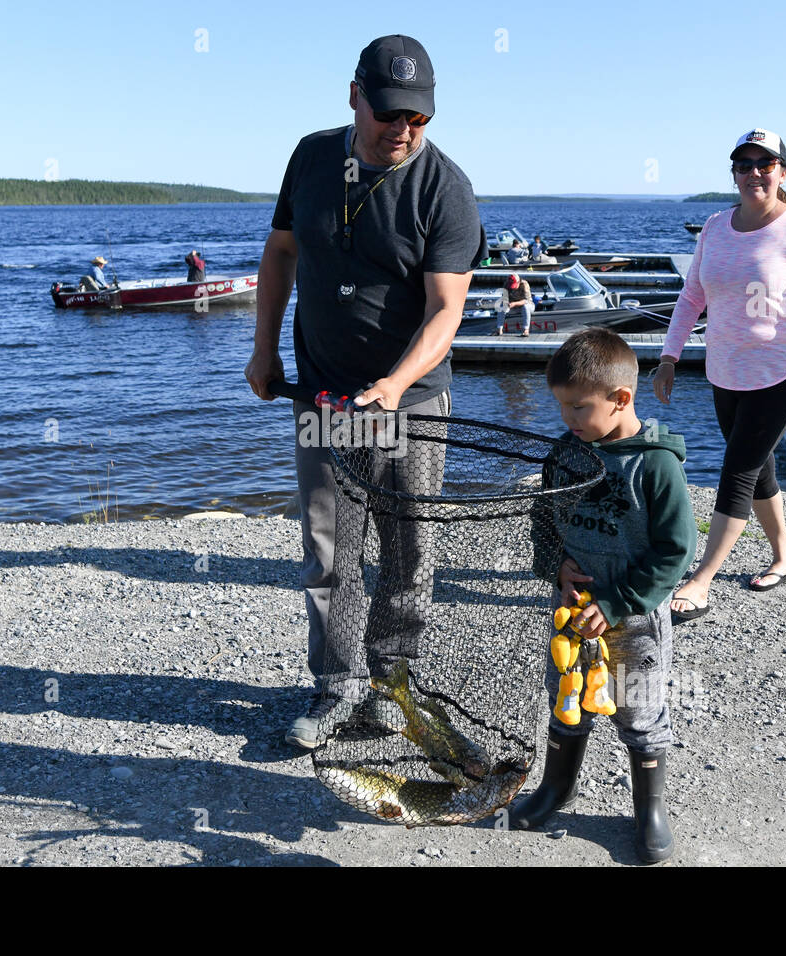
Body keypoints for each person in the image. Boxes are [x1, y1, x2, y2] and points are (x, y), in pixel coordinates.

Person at [243, 34, 485, 749]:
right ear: (355, 96)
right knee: (329, 551)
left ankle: (392, 683)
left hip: (410, 405)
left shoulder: (447, 188)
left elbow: (447, 312)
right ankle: (336, 687)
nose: (402, 131)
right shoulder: (312, 157)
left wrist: (395, 382)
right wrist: (262, 348)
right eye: (388, 115)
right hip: (322, 398)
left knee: (408, 551)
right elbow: (282, 250)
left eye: (417, 118)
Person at [653, 128, 786, 621]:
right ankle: (785, 557)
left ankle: (700, 581)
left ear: (783, 172)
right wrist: (669, 356)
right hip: (724, 370)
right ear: (734, 174)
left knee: (738, 469)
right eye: (744, 164)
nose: (754, 172)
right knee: (758, 466)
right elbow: (692, 297)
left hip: (782, 371)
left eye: (765, 163)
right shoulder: (715, 226)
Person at [513, 328, 697, 863]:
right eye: (561, 408)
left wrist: (616, 603)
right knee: (566, 697)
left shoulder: (656, 466)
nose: (567, 420)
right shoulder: (565, 454)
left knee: (638, 707)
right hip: (571, 609)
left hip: (632, 616)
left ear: (621, 400)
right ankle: (557, 788)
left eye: (578, 408)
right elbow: (543, 519)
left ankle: (649, 810)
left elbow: (675, 552)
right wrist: (555, 564)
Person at [497, 272, 534, 336]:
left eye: (514, 285)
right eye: (510, 285)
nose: (512, 288)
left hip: (527, 305)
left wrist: (515, 303)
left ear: (518, 282)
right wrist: (506, 303)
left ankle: (526, 330)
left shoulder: (524, 284)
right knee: (501, 305)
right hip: (512, 306)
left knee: (525, 307)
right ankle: (499, 330)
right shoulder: (506, 284)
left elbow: (527, 300)